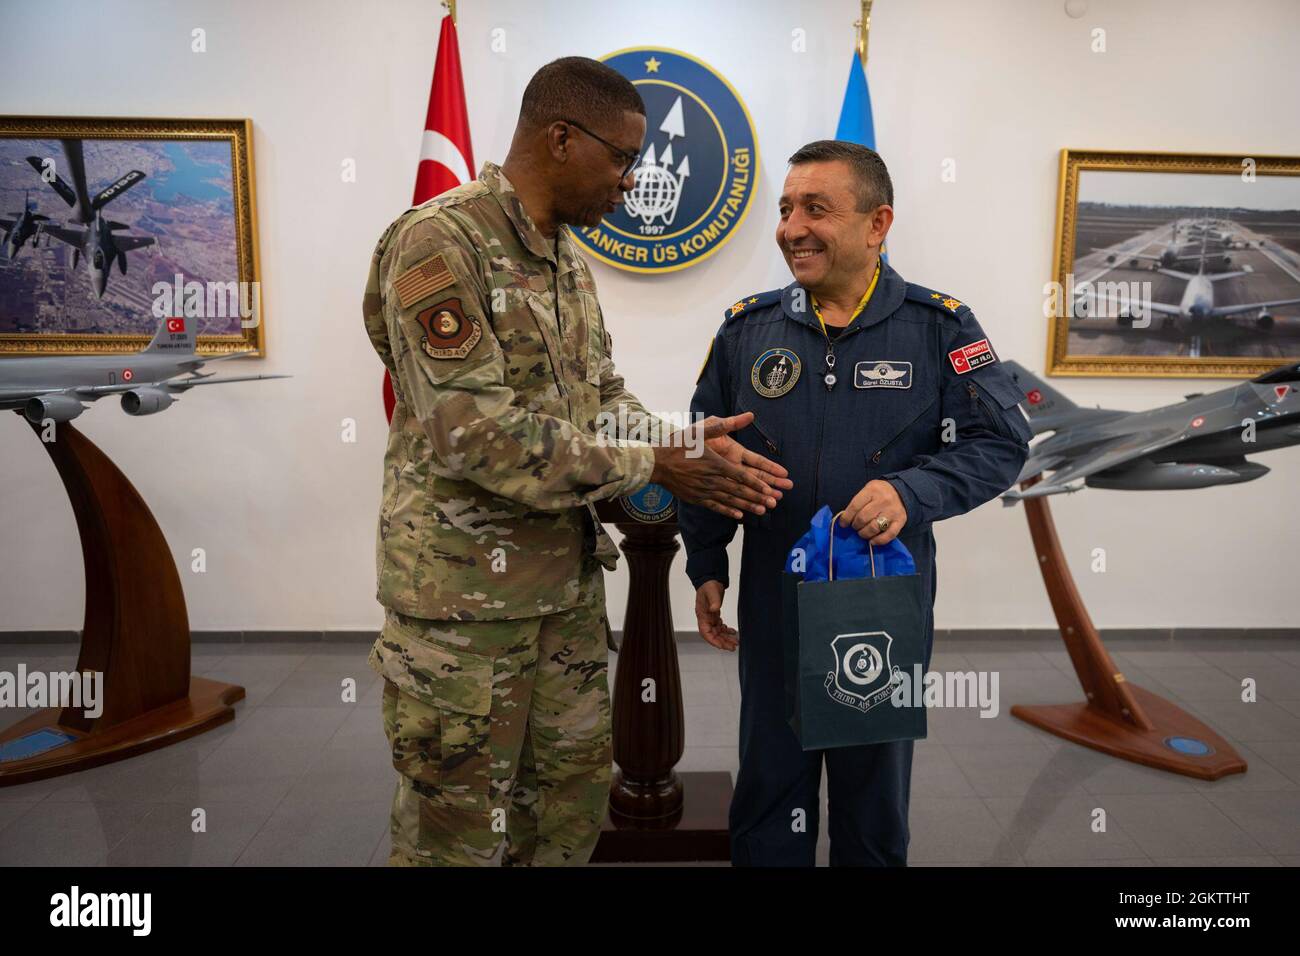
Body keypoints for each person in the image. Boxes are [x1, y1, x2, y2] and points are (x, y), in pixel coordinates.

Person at [361, 56, 792, 867]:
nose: (631, 180)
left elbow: (601, 396)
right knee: (452, 838)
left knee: (565, 817)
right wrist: (653, 467)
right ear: (561, 138)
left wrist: (679, 441)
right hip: (461, 613)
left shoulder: (564, 261)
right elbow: (474, 433)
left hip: (560, 596)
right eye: (623, 157)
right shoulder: (438, 242)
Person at [679, 140, 1032, 866]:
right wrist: (707, 558)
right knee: (770, 786)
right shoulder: (748, 330)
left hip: (881, 599)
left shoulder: (941, 328)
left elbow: (1001, 443)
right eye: (784, 209)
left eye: (816, 208)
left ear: (878, 224)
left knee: (871, 799)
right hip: (774, 595)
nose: (791, 227)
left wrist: (912, 491)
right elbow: (701, 451)